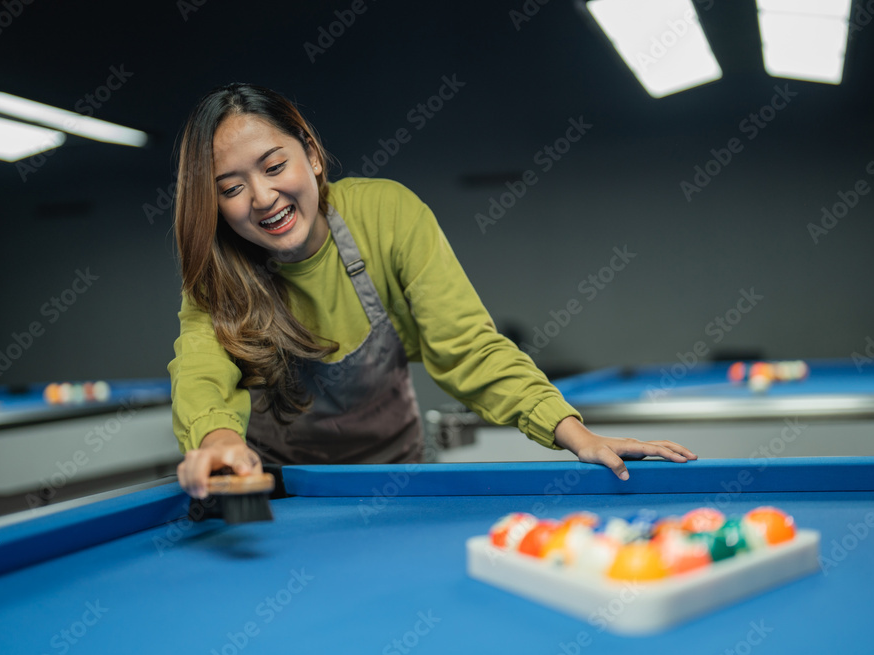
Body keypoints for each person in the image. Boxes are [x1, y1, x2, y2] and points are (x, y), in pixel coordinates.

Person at [170, 83, 696, 499]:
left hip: (398, 482)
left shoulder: (388, 214)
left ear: (311, 154)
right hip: (282, 492)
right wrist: (219, 445)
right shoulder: (217, 273)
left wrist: (573, 432)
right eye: (232, 188)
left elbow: (467, 346)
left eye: (274, 165)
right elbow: (200, 376)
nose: (263, 197)